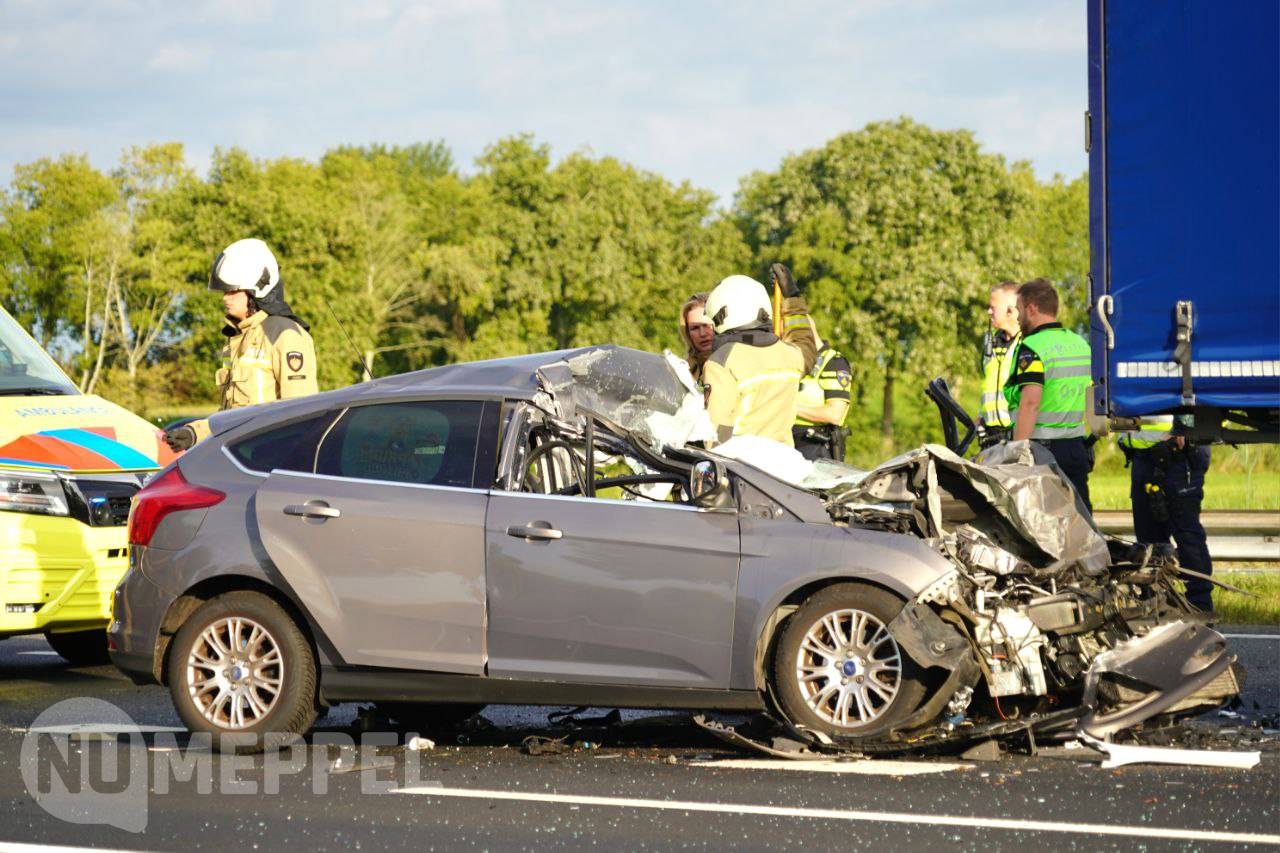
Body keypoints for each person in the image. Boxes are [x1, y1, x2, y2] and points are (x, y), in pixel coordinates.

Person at [164, 238, 318, 451]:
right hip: (240, 456)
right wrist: (195, 433)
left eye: (233, 291)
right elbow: (231, 416)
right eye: (225, 291)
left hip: (272, 456)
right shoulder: (235, 339)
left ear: (257, 289)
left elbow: (302, 414)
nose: (225, 298)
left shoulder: (285, 334)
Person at [1003, 278, 1094, 509]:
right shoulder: (1080, 344)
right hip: (1076, 448)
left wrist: (1017, 453)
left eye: (1019, 309)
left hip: (1042, 451)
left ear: (1032, 308)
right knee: (1079, 516)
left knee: (1040, 518)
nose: (1018, 317)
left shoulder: (1033, 347)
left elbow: (1030, 403)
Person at [702, 264, 815, 446]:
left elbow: (716, 429)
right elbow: (805, 342)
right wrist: (792, 297)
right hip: (785, 459)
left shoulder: (721, 362)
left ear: (720, 316)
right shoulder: (790, 355)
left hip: (740, 460)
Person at [1118, 415, 1215, 612]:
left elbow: (1205, 399)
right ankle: (1156, 608)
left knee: (1188, 538)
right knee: (1148, 543)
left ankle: (1200, 608)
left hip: (1177, 453)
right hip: (1143, 457)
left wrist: (1187, 426)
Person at [792, 318, 852, 461]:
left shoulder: (834, 362)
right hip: (785, 443)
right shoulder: (792, 361)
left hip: (813, 448)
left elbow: (834, 414)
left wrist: (790, 408)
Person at [979, 281, 1021, 446]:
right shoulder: (991, 344)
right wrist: (980, 418)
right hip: (989, 438)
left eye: (993, 307)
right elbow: (988, 388)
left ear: (1010, 310)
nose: (989, 312)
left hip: (1018, 437)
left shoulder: (1029, 343)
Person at [677, 292, 714, 384]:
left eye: (706, 325)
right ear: (688, 333)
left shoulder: (737, 361)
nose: (702, 333)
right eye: (695, 328)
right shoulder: (683, 372)